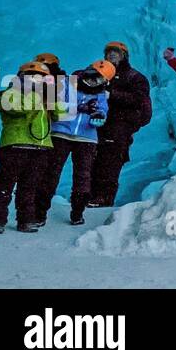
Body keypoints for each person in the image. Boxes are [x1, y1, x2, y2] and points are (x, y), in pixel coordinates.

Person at [0, 61, 67, 234]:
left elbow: (61, 115)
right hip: (14, 146)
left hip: (40, 148)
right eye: (33, 77)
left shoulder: (45, 96)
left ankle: (25, 221)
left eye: (41, 78)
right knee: (5, 185)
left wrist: (52, 95)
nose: (37, 81)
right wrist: (37, 94)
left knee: (30, 188)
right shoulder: (9, 94)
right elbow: (19, 108)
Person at [36, 61, 113, 226]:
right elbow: (56, 104)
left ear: (105, 82)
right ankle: (39, 213)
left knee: (83, 177)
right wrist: (80, 107)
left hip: (86, 138)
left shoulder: (101, 94)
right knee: (51, 173)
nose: (94, 81)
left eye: (99, 79)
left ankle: (77, 212)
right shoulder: (67, 84)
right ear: (87, 71)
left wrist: (98, 116)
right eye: (93, 76)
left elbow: (103, 112)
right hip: (61, 133)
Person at [90, 41, 152, 208]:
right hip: (95, 128)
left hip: (118, 129)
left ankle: (103, 200)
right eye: (109, 52)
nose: (111, 55)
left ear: (124, 55)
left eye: (115, 52)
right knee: (92, 164)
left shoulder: (134, 77)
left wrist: (112, 95)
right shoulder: (97, 73)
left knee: (109, 165)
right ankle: (90, 198)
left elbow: (139, 99)